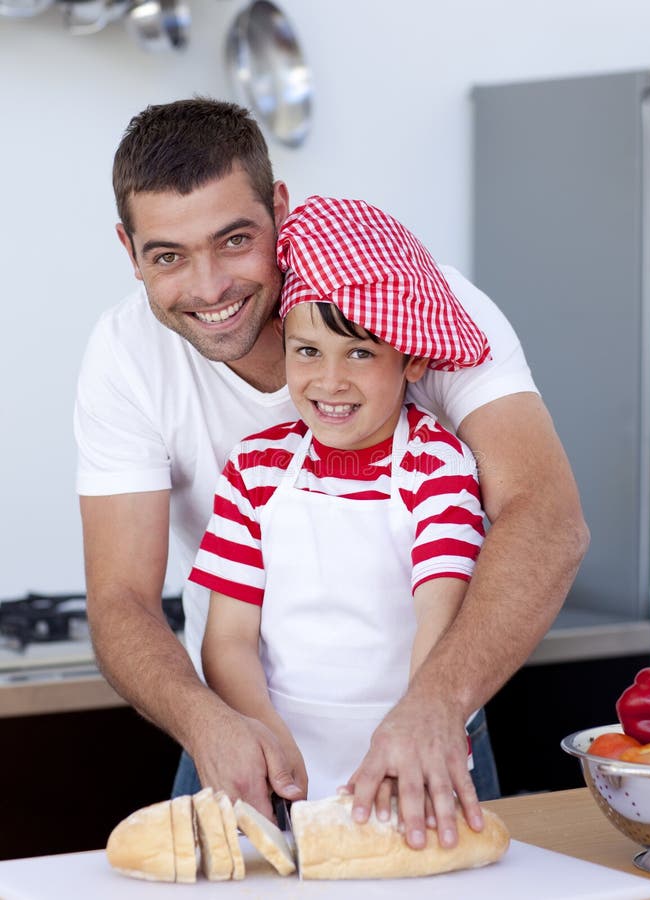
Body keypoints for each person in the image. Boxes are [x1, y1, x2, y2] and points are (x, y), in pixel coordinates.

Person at [74, 97, 588, 851]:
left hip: (426, 733)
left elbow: (545, 516)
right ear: (129, 250)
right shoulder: (126, 356)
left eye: (236, 239)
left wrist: (434, 706)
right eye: (168, 255)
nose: (210, 285)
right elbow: (121, 598)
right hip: (238, 739)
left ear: (280, 209)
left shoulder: (412, 305)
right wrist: (213, 722)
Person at [191, 195, 495, 805]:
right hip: (280, 764)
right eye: (308, 352)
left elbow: (443, 625)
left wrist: (406, 748)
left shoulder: (437, 467)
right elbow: (227, 638)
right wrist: (269, 740)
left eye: (360, 352)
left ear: (411, 358)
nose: (330, 381)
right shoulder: (256, 466)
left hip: (411, 759)